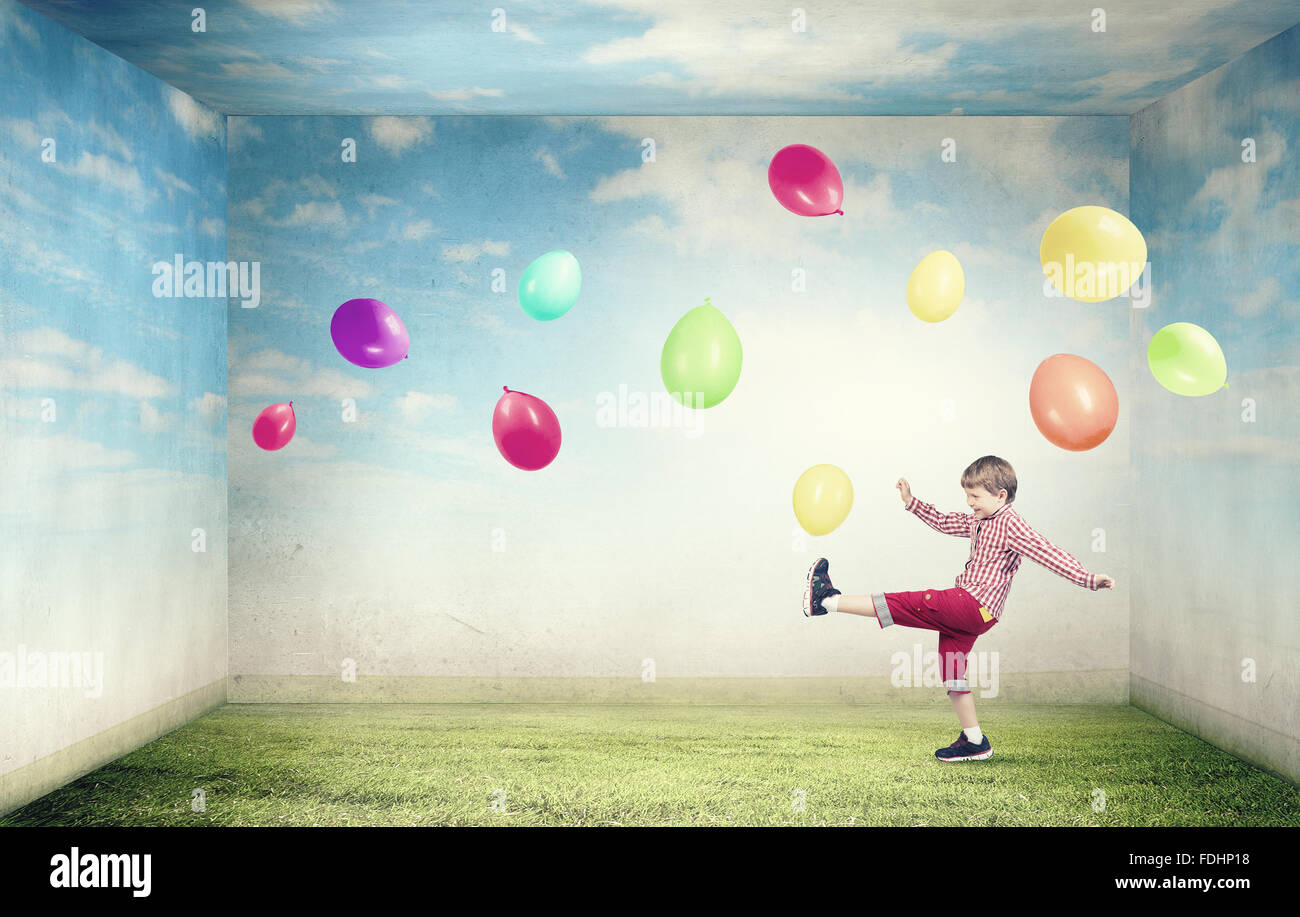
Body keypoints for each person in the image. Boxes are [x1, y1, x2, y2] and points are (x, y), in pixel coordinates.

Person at [802, 455, 1115, 762]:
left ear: (1001, 495)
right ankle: (975, 741)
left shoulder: (1012, 524)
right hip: (973, 615)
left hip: (973, 604)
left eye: (975, 496)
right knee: (953, 669)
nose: (969, 502)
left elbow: (1049, 553)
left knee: (910, 601)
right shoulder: (980, 520)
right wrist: (912, 502)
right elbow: (945, 521)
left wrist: (1088, 579)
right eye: (967, 495)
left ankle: (826, 600)